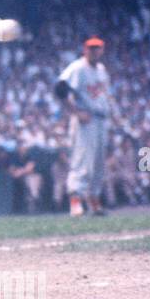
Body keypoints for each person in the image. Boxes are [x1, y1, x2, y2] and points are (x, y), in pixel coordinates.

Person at [55, 36, 112, 216]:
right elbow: (60, 88)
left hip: (101, 119)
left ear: (102, 50)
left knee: (98, 163)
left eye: (97, 48)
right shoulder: (78, 68)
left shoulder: (102, 70)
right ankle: (75, 202)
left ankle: (94, 201)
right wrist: (76, 112)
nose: (94, 51)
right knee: (82, 160)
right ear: (84, 50)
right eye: (91, 48)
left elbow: (103, 95)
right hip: (85, 119)